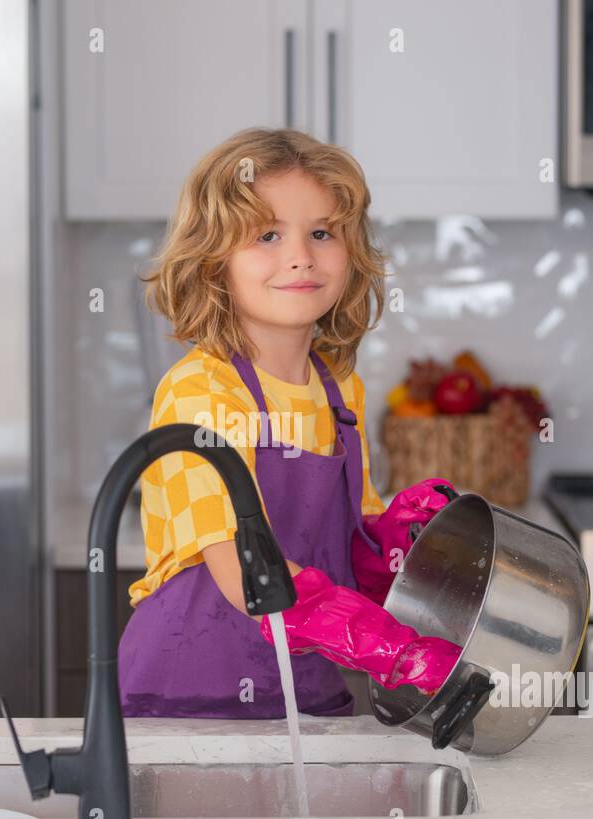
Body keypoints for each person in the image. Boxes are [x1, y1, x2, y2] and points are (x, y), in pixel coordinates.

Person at [118, 127, 458, 719]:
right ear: (211, 260)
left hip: (304, 687)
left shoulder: (339, 390)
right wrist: (395, 651)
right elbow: (248, 576)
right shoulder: (203, 392)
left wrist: (403, 539)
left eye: (322, 233)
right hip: (191, 693)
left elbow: (346, 548)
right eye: (267, 235)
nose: (300, 255)